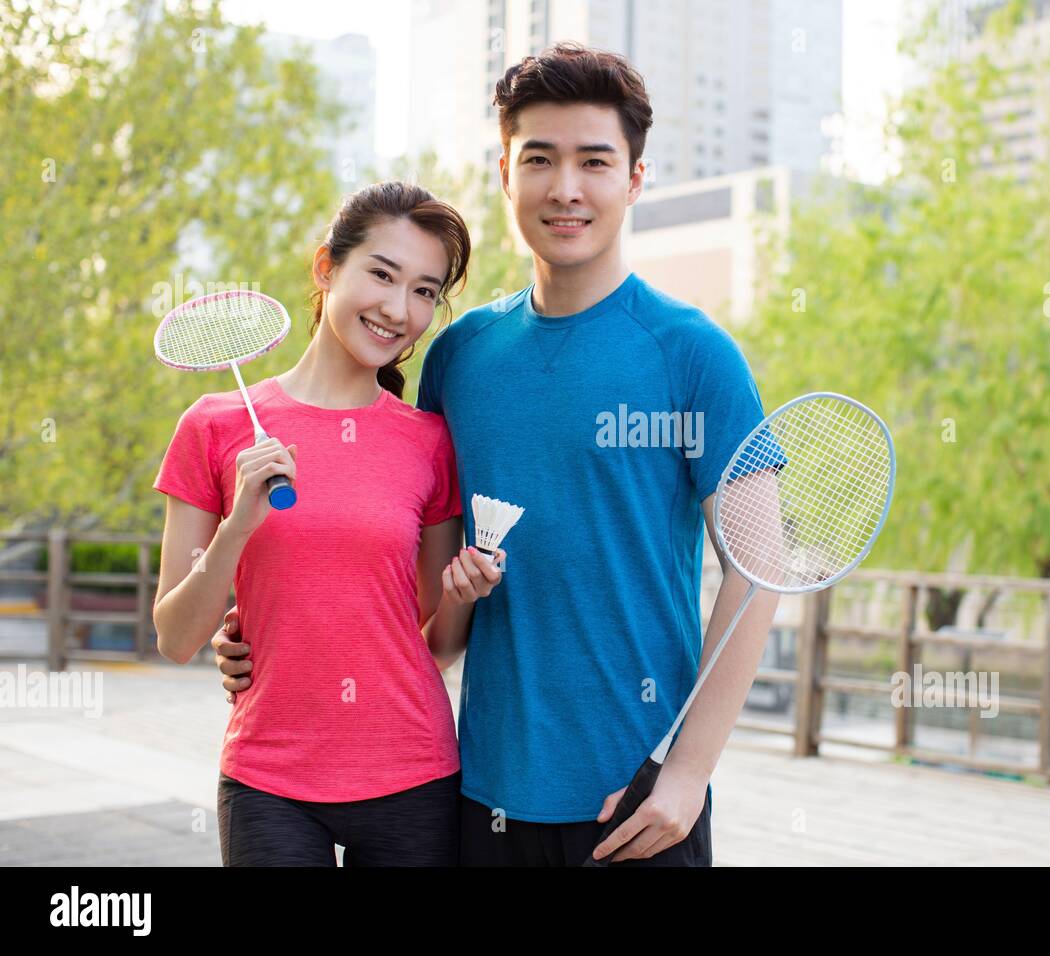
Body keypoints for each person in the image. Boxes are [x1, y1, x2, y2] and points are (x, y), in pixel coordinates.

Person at [217, 43, 780, 867]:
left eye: (595, 161)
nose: (566, 188)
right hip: (481, 796)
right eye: (540, 160)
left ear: (634, 179)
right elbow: (399, 554)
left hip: (642, 797)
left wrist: (688, 773)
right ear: (507, 174)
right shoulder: (458, 357)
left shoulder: (695, 355)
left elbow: (760, 564)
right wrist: (262, 630)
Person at [154, 181, 503, 866]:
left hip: (414, 773)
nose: (399, 309)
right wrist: (238, 528)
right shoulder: (213, 427)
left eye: (425, 291)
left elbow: (429, 644)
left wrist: (463, 599)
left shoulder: (430, 441)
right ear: (325, 268)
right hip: (269, 781)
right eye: (382, 274)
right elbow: (175, 636)